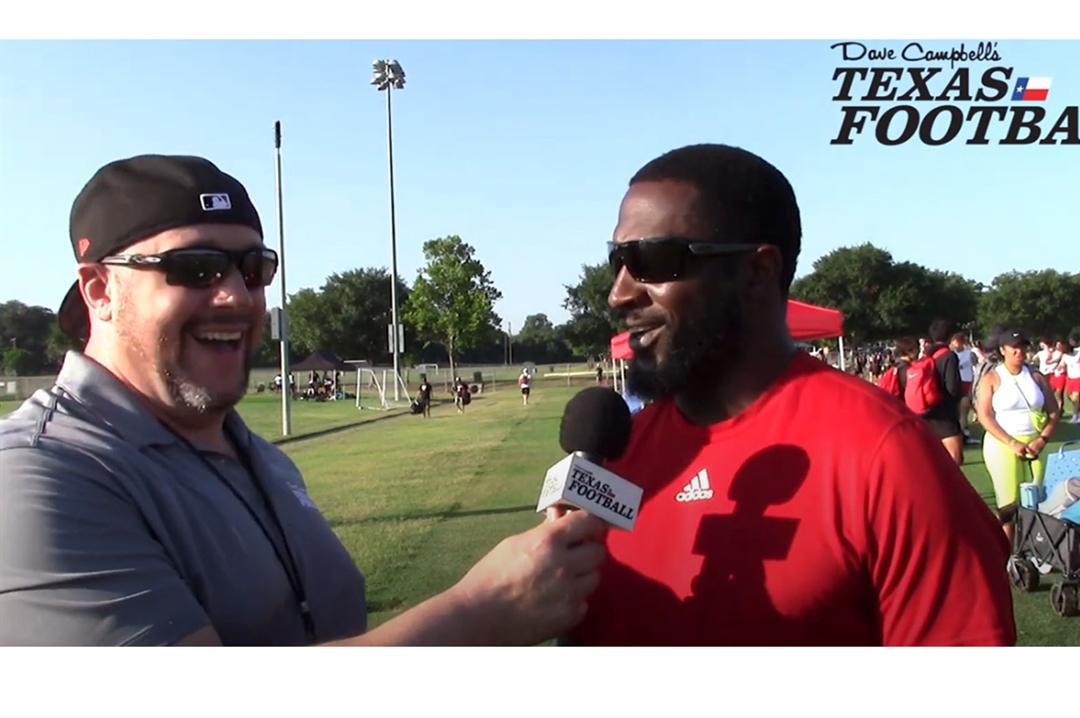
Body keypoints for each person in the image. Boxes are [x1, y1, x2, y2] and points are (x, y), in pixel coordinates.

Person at [0, 154, 607, 646]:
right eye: (197, 268)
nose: (238, 297)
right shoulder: (38, 474)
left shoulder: (261, 458)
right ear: (100, 289)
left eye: (253, 269)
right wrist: (476, 614)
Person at [560, 143, 1016, 647]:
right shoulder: (618, 456)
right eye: (618, 260)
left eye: (653, 260)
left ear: (757, 272)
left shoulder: (884, 456)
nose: (619, 294)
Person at [973, 327, 1061, 544]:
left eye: (1022, 347)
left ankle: (1036, 549)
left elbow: (1054, 411)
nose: (1019, 352)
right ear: (1003, 350)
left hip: (1035, 443)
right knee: (1009, 501)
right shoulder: (992, 378)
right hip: (1002, 444)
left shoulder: (1037, 377)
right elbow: (984, 416)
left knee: (1037, 499)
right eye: (1014, 348)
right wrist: (1011, 442)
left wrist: (1042, 439)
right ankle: (1007, 553)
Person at [921, 319, 966, 466]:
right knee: (954, 461)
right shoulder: (948, 356)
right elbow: (953, 387)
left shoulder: (926, 355)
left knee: (934, 462)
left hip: (927, 412)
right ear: (950, 336)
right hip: (945, 415)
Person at [950, 332, 978, 445]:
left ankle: (964, 434)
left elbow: (975, 368)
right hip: (957, 383)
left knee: (964, 410)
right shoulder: (951, 354)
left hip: (966, 382)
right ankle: (961, 434)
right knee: (958, 411)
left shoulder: (969, 354)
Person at [1060, 335, 1080, 424]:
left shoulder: (1079, 352)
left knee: (1076, 398)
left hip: (1078, 377)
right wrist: (1059, 369)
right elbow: (1062, 365)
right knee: (1071, 398)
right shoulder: (1064, 356)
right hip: (1070, 378)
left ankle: (1075, 416)